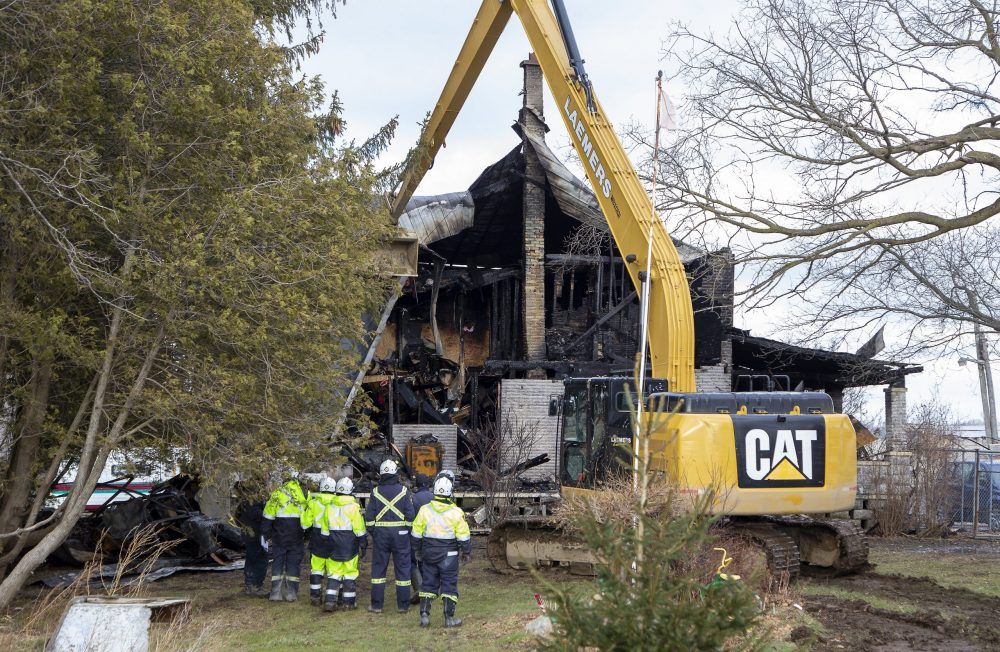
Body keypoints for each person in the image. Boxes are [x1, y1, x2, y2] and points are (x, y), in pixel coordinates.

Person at [411, 473, 471, 628]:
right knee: (449, 585)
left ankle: (424, 615)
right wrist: (467, 552)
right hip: (449, 555)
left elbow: (416, 533)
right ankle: (449, 618)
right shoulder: (456, 512)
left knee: (428, 584)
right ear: (450, 492)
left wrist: (417, 550)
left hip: (428, 553)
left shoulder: (425, 510)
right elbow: (463, 536)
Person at [365, 458, 415, 613]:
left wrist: (375, 532)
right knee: (403, 570)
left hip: (381, 535)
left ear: (381, 474)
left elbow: (369, 519)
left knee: (378, 571)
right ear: (396, 474)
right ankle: (403, 605)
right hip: (400, 536)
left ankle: (376, 605)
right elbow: (410, 516)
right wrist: (404, 531)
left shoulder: (375, 492)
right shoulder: (404, 491)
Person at [321, 477, 368, 611]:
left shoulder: (329, 506)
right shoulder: (354, 507)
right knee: (349, 573)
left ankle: (329, 602)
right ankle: (349, 603)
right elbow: (359, 529)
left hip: (333, 544)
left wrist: (327, 543)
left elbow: (324, 531)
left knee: (334, 574)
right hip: (349, 545)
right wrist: (363, 544)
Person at [261, 472, 307, 602]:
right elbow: (308, 517)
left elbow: (267, 516)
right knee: (293, 563)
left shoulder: (277, 493)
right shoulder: (302, 494)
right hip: (296, 534)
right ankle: (291, 593)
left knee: (278, 561)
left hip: (279, 535)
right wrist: (307, 535)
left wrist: (266, 534)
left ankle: (275, 593)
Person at [302, 477, 338, 606]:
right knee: (334, 571)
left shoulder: (313, 503)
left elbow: (305, 524)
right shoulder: (337, 502)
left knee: (316, 569)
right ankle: (331, 600)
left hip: (317, 539)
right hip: (334, 538)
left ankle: (315, 597)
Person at [232, 481, 267, 596]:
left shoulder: (242, 503)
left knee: (251, 558)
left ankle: (250, 585)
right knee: (259, 559)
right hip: (255, 534)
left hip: (249, 534)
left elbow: (236, 518)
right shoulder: (253, 502)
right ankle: (255, 586)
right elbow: (257, 515)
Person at [409, 474, 434, 602]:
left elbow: (411, 516)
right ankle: (433, 588)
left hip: (418, 535)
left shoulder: (414, 498)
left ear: (417, 485)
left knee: (416, 561)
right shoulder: (434, 497)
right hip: (433, 535)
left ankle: (420, 587)